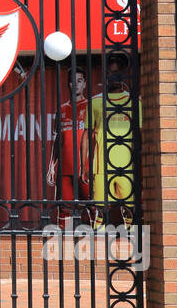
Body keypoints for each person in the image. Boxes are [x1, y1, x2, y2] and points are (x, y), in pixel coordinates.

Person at [88, 53, 135, 227]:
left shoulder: (133, 101)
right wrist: (85, 164)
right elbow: (87, 136)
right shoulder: (96, 102)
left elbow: (140, 135)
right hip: (102, 165)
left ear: (123, 75)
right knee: (100, 208)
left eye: (117, 74)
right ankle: (98, 241)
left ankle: (132, 236)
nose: (113, 78)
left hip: (127, 165)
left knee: (130, 206)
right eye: (110, 74)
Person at [46, 65, 93, 223]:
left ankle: (95, 244)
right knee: (64, 210)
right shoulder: (62, 109)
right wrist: (52, 165)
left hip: (86, 167)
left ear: (84, 83)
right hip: (65, 168)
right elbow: (57, 138)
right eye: (73, 81)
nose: (76, 84)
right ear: (69, 84)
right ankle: (63, 246)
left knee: (92, 208)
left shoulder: (91, 106)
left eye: (80, 81)